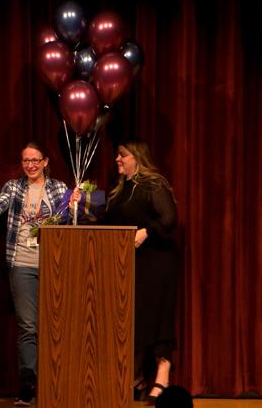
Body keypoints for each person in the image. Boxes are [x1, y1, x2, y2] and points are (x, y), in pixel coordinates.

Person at [0, 142, 74, 406]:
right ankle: (29, 385)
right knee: (28, 326)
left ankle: (55, 383)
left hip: (54, 265)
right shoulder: (14, 187)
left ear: (45, 162)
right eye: (25, 160)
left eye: (35, 160)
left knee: (54, 326)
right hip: (21, 264)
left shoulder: (58, 188)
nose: (30, 165)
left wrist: (75, 205)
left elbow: (70, 222)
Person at [102, 140, 178, 403]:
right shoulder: (120, 190)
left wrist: (147, 231)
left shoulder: (153, 184)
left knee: (157, 319)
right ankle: (135, 378)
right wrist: (82, 202)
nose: (118, 160)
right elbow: (106, 220)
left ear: (137, 158)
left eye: (123, 155)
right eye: (117, 155)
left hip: (156, 264)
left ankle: (162, 378)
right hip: (128, 266)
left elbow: (170, 218)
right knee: (133, 320)